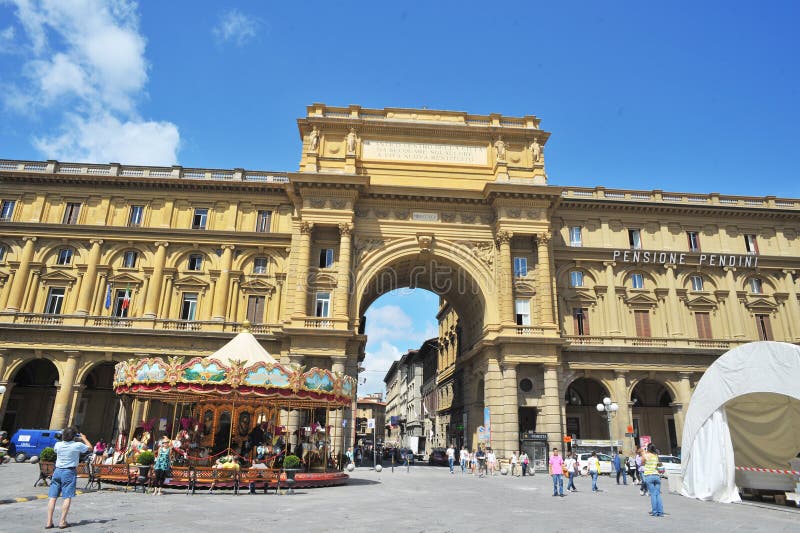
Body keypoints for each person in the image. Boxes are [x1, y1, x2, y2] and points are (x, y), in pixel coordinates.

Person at [46, 427, 91, 530]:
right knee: (67, 496)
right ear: (74, 436)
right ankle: (62, 521)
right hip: (69, 472)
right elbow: (90, 448)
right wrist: (84, 438)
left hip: (57, 471)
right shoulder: (77, 445)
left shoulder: (58, 444)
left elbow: (56, 450)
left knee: (52, 497)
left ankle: (49, 522)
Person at [643, 444, 664, 517]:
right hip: (656, 476)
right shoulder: (656, 456)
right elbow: (658, 465)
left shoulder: (646, 455)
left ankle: (655, 512)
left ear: (648, 448)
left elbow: (641, 463)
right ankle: (660, 512)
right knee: (657, 494)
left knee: (653, 494)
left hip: (649, 476)